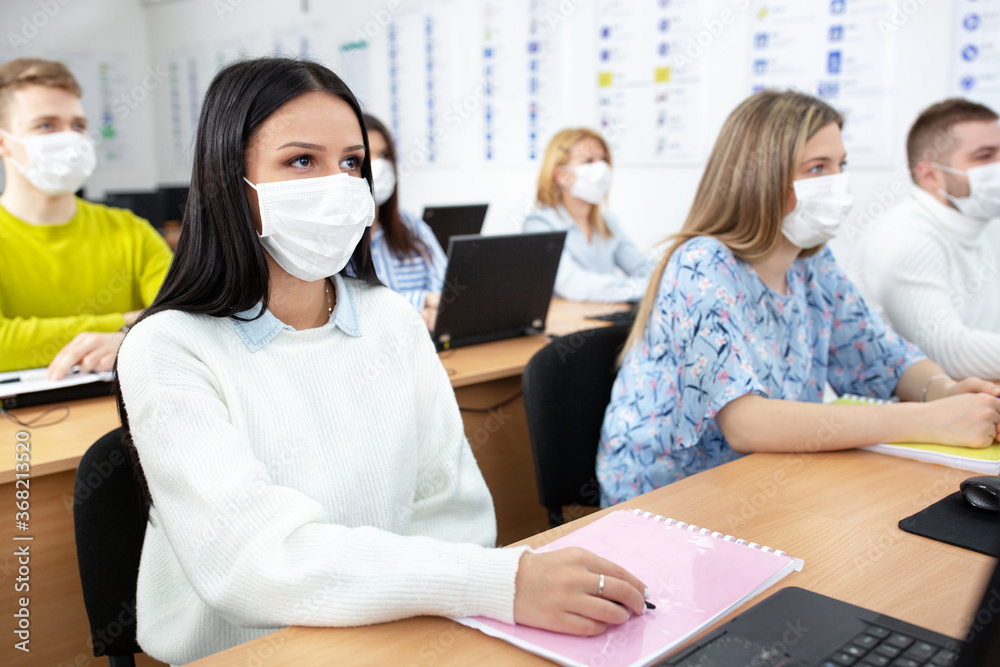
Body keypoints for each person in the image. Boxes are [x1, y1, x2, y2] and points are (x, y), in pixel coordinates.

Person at [115, 58, 648, 665]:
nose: (338, 183)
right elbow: (255, 564)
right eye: (300, 160)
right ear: (227, 182)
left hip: (400, 633)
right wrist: (498, 582)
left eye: (350, 163)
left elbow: (455, 510)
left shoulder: (391, 319)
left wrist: (422, 619)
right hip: (250, 652)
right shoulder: (170, 349)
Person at [597, 90, 1000, 508]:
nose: (837, 181)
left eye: (840, 165)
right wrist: (928, 420)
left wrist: (943, 391)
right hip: (670, 499)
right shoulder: (701, 264)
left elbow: (885, 356)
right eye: (817, 168)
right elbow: (747, 423)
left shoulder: (812, 263)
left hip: (764, 481)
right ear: (762, 175)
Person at [0, 58, 171, 377]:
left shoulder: (131, 230)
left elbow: (184, 319)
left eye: (78, 125)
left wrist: (123, 338)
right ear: (4, 142)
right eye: (46, 125)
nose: (70, 139)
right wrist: (129, 324)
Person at [851, 99, 1000, 379]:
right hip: (906, 412)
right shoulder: (907, 236)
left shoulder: (986, 225)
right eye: (985, 156)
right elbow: (948, 353)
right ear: (930, 175)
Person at [523, 128, 654, 302]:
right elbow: (574, 286)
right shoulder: (539, 225)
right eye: (588, 161)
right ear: (562, 175)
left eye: (604, 160)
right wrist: (642, 287)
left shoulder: (608, 223)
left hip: (610, 320)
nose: (601, 169)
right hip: (570, 324)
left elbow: (643, 267)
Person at [362, 114, 447, 330]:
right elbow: (362, 305)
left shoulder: (410, 224)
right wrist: (422, 300)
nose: (378, 166)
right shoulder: (336, 239)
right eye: (366, 157)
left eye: (384, 155)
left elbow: (444, 280)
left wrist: (434, 308)